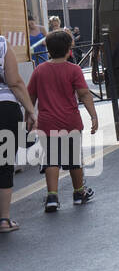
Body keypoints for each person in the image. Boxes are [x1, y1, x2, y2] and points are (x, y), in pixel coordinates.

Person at [28, 29, 98, 212]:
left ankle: (52, 197)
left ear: (48, 51)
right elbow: (84, 94)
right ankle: (79, 192)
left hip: (47, 123)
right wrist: (93, 116)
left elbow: (31, 96)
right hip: (70, 122)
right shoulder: (73, 69)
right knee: (74, 159)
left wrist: (29, 117)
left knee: (51, 160)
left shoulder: (39, 70)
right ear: (69, 49)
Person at [0, 33, 39, 232]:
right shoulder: (1, 43)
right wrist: (30, 111)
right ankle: (3, 220)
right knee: (4, 163)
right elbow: (14, 81)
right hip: (4, 110)